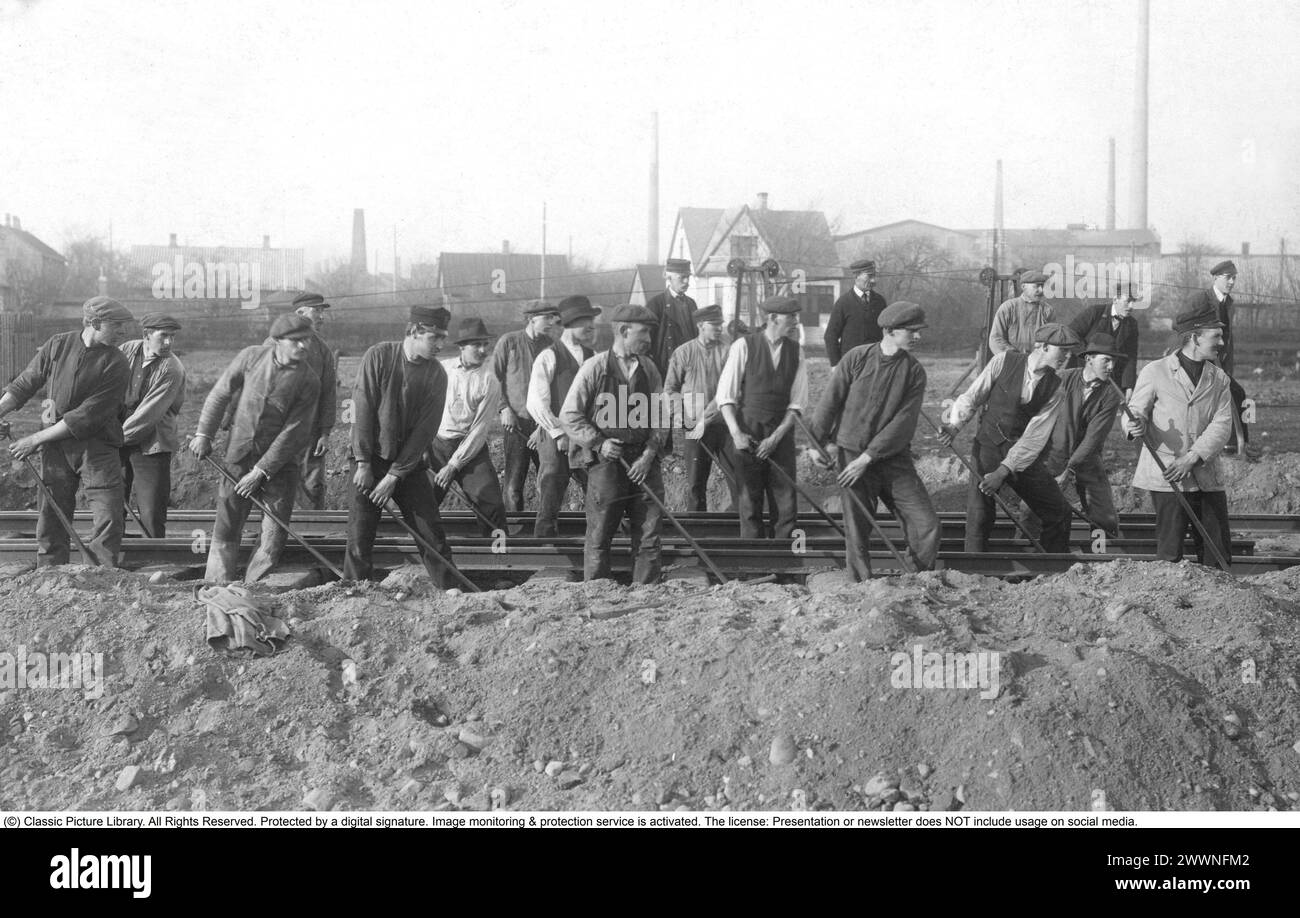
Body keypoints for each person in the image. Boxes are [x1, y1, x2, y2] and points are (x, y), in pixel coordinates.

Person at [806, 301, 940, 577]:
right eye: (912, 331)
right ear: (891, 330)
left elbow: (903, 423)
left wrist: (869, 457)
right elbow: (830, 401)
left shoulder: (914, 372)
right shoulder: (857, 358)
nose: (918, 337)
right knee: (857, 528)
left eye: (919, 331)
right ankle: (861, 587)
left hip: (892, 459)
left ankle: (914, 581)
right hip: (851, 455)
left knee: (926, 524)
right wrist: (815, 444)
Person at [0, 296, 134, 566]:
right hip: (56, 448)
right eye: (117, 325)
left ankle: (100, 576)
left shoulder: (117, 362)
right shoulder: (58, 344)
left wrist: (35, 439)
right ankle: (51, 574)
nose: (124, 331)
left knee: (108, 513)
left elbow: (87, 415)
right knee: (51, 511)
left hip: (97, 447)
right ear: (95, 323)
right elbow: (24, 384)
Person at [189, 314, 320, 583]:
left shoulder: (309, 381)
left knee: (273, 533)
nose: (303, 346)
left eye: (307, 340)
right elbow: (221, 392)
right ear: (277, 341)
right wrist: (204, 433)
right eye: (296, 341)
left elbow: (294, 432)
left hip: (280, 466)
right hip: (238, 454)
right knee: (227, 524)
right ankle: (217, 584)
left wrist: (261, 472)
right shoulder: (251, 357)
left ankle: (256, 586)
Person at [344, 305, 460, 585]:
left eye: (444, 337)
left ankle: (450, 590)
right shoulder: (379, 356)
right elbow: (362, 409)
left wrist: (395, 476)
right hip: (369, 460)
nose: (441, 345)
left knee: (431, 531)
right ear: (414, 332)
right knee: (360, 534)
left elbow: (424, 432)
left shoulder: (436, 375)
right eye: (435, 337)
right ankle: (353, 592)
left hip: (408, 466)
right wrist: (363, 463)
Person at [943, 323, 1080, 552]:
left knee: (1058, 512)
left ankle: (1052, 571)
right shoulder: (1004, 361)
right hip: (987, 447)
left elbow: (1035, 437)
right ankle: (974, 571)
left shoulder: (1056, 389)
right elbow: (973, 396)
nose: (1067, 356)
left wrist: (1003, 471)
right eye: (1063, 350)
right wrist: (954, 427)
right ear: (1044, 346)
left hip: (1021, 456)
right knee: (980, 515)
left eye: (1069, 351)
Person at [1121, 304, 1234, 568]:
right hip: (1168, 475)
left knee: (1217, 555)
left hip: (1206, 476)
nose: (1221, 341)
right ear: (1194, 338)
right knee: (1169, 555)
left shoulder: (1219, 378)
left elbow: (1222, 423)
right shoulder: (1155, 371)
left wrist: (1193, 458)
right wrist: (1133, 424)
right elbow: (1136, 410)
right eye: (1215, 336)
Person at [560, 304, 666, 583]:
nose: (649, 340)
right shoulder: (594, 368)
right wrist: (599, 443)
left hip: (644, 461)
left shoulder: (650, 368)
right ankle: (597, 591)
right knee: (600, 534)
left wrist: (650, 453)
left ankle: (646, 591)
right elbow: (569, 415)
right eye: (644, 332)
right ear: (623, 330)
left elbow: (660, 414)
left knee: (648, 533)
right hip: (607, 463)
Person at [716, 296, 809, 540]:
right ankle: (752, 563)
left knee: (786, 502)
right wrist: (736, 434)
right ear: (772, 318)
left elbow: (797, 404)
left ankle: (784, 565)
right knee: (749, 500)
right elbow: (725, 397)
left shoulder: (796, 351)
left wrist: (776, 438)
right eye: (791, 317)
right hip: (748, 432)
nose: (796, 322)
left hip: (781, 433)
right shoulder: (744, 346)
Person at [526, 295, 600, 537]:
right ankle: (544, 546)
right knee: (551, 490)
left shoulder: (594, 356)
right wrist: (558, 433)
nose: (590, 326)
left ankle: (599, 541)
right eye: (583, 321)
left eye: (591, 320)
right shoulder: (549, 356)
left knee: (598, 492)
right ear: (567, 325)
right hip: (555, 436)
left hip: (587, 436)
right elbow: (536, 403)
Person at [1038, 334, 1124, 539]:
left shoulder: (1111, 393)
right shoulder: (1064, 378)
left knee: (1103, 515)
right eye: (1106, 360)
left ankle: (1102, 561)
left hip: (1087, 459)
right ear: (1089, 359)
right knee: (1031, 510)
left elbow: (1094, 438)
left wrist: (1068, 471)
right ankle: (1029, 557)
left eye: (1114, 361)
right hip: (1053, 455)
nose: (1111, 367)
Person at [430, 317, 507, 536]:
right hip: (435, 445)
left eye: (486, 344)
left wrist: (453, 466)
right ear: (462, 347)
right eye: (477, 345)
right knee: (423, 503)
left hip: (471, 448)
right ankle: (420, 555)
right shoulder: (440, 370)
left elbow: (480, 429)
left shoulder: (490, 380)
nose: (483, 350)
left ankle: (498, 559)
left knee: (491, 504)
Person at [117, 313, 186, 538]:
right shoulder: (127, 349)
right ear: (146, 335)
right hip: (116, 435)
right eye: (163, 336)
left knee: (151, 510)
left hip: (152, 441)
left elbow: (147, 416)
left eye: (172, 337)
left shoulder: (172, 368)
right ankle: (112, 560)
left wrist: (111, 440)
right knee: (112, 503)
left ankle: (155, 559)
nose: (169, 342)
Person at [663, 304, 735, 511]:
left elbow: (729, 389)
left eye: (721, 324)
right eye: (715, 324)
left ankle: (741, 534)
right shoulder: (683, 353)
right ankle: (698, 530)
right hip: (694, 428)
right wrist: (679, 414)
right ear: (701, 325)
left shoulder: (728, 351)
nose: (720, 328)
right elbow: (670, 389)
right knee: (696, 483)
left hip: (724, 425)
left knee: (737, 479)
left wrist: (708, 417)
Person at [493, 300, 558, 511]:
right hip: (516, 423)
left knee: (548, 482)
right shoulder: (508, 342)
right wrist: (504, 409)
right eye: (547, 318)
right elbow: (494, 380)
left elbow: (557, 388)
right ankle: (514, 534)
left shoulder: (552, 346)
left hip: (544, 426)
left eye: (553, 317)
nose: (551, 322)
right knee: (513, 485)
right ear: (531, 319)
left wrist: (543, 426)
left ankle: (546, 532)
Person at [276, 292, 337, 510]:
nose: (322, 316)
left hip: (310, 430)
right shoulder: (274, 343)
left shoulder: (322, 350)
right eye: (317, 311)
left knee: (313, 484)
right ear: (300, 313)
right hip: (278, 428)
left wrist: (325, 432)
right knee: (275, 481)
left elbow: (329, 393)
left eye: (322, 311)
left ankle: (314, 535)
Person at [1067, 286, 1142, 398]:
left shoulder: (1132, 324)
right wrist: (1089, 358)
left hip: (1108, 380)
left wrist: (1129, 386)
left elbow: (1130, 357)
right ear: (1115, 299)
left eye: (1134, 302)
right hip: (1081, 373)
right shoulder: (1094, 312)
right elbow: (1070, 334)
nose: (1131, 306)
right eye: (1128, 301)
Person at [824, 258, 886, 367]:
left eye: (874, 276)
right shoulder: (843, 302)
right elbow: (830, 336)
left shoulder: (880, 301)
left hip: (875, 365)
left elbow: (886, 333)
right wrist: (836, 365)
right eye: (869, 276)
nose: (873, 281)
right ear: (856, 276)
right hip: (851, 365)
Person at [644, 257, 698, 375]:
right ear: (669, 278)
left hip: (688, 367)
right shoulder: (656, 304)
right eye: (682, 277)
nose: (686, 282)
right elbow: (646, 340)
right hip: (664, 368)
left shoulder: (691, 304)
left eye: (688, 277)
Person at [989, 270, 1056, 355]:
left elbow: (1052, 341)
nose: (1041, 290)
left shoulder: (1047, 310)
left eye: (1042, 286)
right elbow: (996, 339)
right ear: (1024, 286)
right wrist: (1014, 356)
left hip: (1038, 363)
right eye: (1037, 286)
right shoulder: (1008, 308)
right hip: (1012, 362)